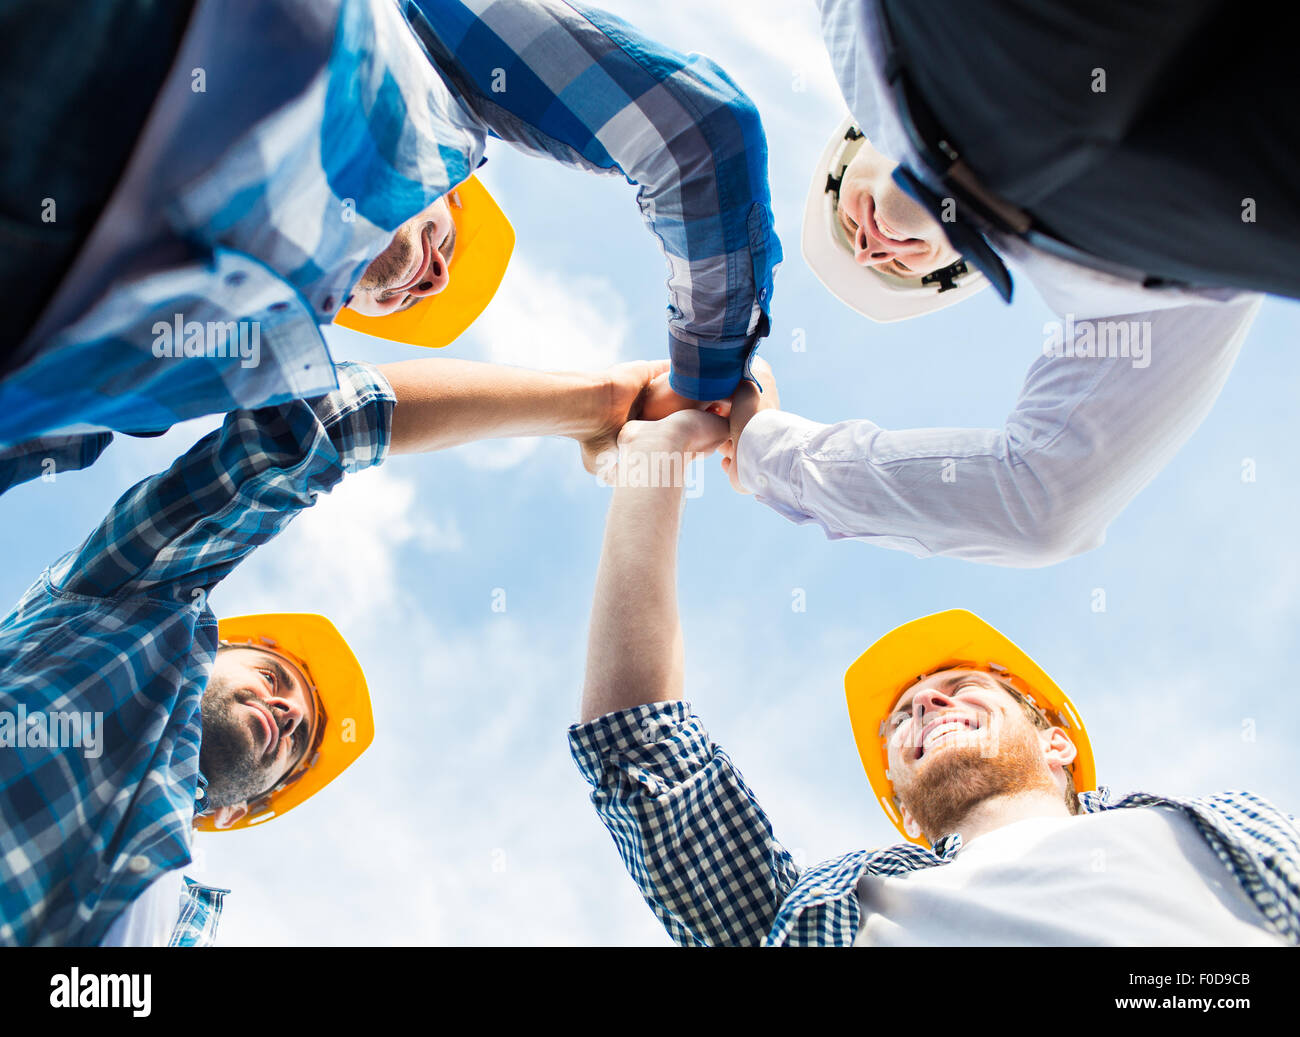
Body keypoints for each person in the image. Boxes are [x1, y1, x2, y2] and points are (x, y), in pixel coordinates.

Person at [0, 349, 690, 946]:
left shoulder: (183, 923)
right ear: (217, 647)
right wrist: (596, 404)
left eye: (296, 741)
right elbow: (319, 429)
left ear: (237, 812)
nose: (289, 710)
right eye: (275, 674)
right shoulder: (127, 611)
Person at [570, 410, 1300, 944]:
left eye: (961, 683)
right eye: (902, 718)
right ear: (901, 801)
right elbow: (639, 743)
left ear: (1058, 742)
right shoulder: (818, 913)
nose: (924, 702)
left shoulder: (1210, 828)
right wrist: (657, 456)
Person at [0, 0, 778, 494]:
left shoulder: (232, 365)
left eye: (402, 304)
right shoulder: (426, 52)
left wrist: (603, 405)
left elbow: (340, 429)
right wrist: (703, 379)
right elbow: (695, 136)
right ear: (455, 183)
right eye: (449, 238)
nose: (432, 279)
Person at [717, 0, 1288, 567]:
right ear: (964, 264)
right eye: (891, 269)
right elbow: (1041, 504)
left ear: (851, 147)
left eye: (845, 227)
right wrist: (768, 448)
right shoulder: (1125, 290)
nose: (866, 249)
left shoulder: (860, 26)